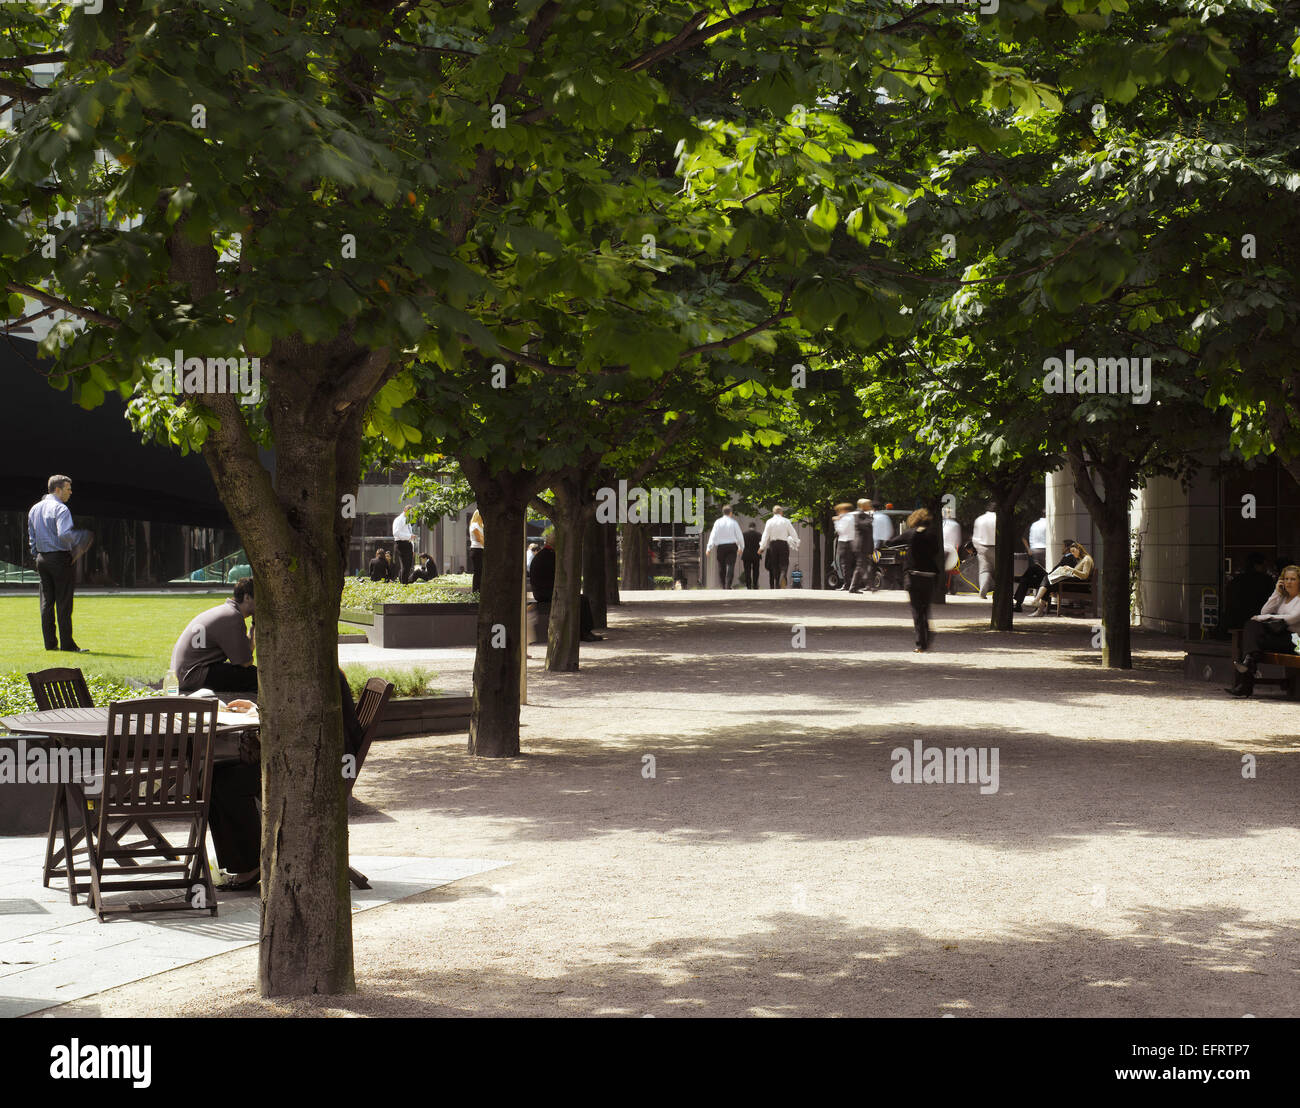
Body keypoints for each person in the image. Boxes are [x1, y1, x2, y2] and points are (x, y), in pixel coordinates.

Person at [210, 670, 363, 890]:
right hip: (313, 756)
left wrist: (258, 716)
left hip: (316, 763)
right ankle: (247, 863)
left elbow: (297, 722)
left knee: (226, 783)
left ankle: (250, 865)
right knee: (220, 777)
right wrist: (255, 710)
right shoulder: (315, 667)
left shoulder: (310, 672)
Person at [27, 474, 93, 652]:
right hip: (59, 558)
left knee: (46, 603)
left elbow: (32, 538)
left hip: (42, 558)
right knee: (64, 603)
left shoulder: (34, 509)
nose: (70, 492)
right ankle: (67, 645)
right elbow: (64, 534)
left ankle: (50, 644)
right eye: (68, 489)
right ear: (58, 489)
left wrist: (37, 556)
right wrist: (81, 537)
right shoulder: (61, 509)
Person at [170, 577, 258, 693]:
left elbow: (246, 655)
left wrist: (254, 625)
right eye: (260, 598)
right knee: (256, 677)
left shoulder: (227, 611)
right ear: (247, 597)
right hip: (193, 676)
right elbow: (245, 662)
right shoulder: (233, 617)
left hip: (185, 673)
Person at [1226, 565, 1300, 697]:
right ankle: (1250, 661)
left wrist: (1266, 618)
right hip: (1279, 636)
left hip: (1294, 640)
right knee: (1251, 624)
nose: (1289, 582)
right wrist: (1276, 592)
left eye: (1293, 579)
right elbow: (1264, 611)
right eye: (1286, 579)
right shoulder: (1282, 597)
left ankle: (1245, 681)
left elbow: (1292, 619)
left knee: (1254, 631)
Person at [528, 531, 602, 641]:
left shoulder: (544, 554)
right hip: (546, 593)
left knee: (580, 599)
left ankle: (583, 631)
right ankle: (585, 632)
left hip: (543, 592)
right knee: (582, 600)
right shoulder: (550, 556)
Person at [902, 508, 943, 651]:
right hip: (929, 576)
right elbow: (936, 551)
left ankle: (921, 643)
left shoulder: (910, 534)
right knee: (925, 609)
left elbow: (890, 542)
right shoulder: (932, 535)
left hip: (913, 576)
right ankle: (927, 634)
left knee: (916, 610)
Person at [1028, 541, 1093, 616]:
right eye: (1071, 552)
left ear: (1079, 549)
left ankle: (1038, 605)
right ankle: (1038, 609)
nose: (1072, 553)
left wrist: (1071, 570)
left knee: (1047, 581)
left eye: (1073, 551)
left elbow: (1085, 575)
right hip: (1073, 583)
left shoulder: (1087, 559)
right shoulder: (1081, 559)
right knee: (1048, 582)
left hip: (1078, 586)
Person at [1014, 539, 1077, 612]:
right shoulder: (1067, 558)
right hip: (1051, 578)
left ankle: (1020, 579)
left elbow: (1062, 573)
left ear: (1067, 548)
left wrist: (1050, 575)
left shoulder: (1070, 559)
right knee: (1025, 581)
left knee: (1035, 567)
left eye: (1062, 546)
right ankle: (1018, 605)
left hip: (1053, 581)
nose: (1061, 548)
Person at [1223, 553, 1276, 631]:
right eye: (1264, 565)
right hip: (1257, 621)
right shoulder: (1266, 581)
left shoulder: (1237, 580)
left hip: (1235, 620)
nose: (1266, 568)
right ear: (1256, 565)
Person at [758, 506, 800, 589]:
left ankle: (777, 583)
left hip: (773, 545)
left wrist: (762, 546)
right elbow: (793, 532)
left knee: (775, 565)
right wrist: (796, 541)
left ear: (773, 513)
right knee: (784, 563)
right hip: (783, 544)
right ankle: (783, 575)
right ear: (781, 513)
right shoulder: (786, 521)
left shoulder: (769, 522)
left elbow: (765, 535)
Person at [705, 505, 745, 588]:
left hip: (721, 547)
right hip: (732, 546)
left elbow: (713, 535)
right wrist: (741, 547)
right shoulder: (734, 523)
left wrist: (709, 548)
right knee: (730, 565)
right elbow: (739, 536)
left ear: (723, 512)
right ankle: (728, 585)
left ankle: (723, 585)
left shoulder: (717, 522)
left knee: (721, 566)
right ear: (731, 513)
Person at [971, 501, 997, 598]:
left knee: (985, 570)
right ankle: (998, 592)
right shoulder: (1000, 518)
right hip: (997, 547)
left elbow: (975, 536)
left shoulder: (980, 519)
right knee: (999, 572)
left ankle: (983, 590)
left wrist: (977, 547)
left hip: (982, 547)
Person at [849, 498, 874, 592]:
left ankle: (854, 587)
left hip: (864, 545)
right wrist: (869, 519)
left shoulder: (864, 515)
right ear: (863, 506)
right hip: (861, 545)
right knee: (861, 566)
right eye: (868, 504)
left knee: (860, 566)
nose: (870, 506)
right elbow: (860, 525)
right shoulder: (858, 514)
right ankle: (869, 584)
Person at [832, 503, 857, 591]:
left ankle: (847, 584)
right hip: (852, 542)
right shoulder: (854, 518)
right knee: (852, 564)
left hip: (844, 542)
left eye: (839, 511)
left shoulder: (845, 519)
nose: (838, 513)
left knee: (845, 565)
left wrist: (836, 521)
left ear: (844, 510)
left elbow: (840, 530)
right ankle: (853, 584)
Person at [392, 506, 416, 584]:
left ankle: (403, 583)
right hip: (402, 544)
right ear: (405, 510)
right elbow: (396, 533)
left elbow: (408, 534)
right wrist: (409, 536)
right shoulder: (399, 519)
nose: (411, 515)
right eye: (410, 512)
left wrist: (412, 549)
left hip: (407, 544)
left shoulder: (407, 520)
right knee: (405, 566)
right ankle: (404, 584)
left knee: (408, 566)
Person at [942, 506, 963, 594]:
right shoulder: (955, 525)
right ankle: (950, 588)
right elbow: (958, 541)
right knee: (950, 570)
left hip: (942, 549)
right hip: (952, 550)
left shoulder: (941, 524)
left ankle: (943, 587)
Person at [741, 522, 761, 589]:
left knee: (747, 571)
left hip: (746, 555)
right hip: (756, 554)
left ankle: (748, 585)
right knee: (756, 571)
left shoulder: (744, 534)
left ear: (749, 527)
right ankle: (755, 585)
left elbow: (741, 544)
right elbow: (761, 544)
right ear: (755, 527)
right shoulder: (759, 534)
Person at [469, 508, 485, 591]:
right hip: (477, 550)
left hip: (479, 549)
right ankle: (475, 590)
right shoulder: (475, 525)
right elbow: (480, 539)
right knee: (478, 572)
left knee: (480, 572)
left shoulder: (480, 526)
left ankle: (478, 590)